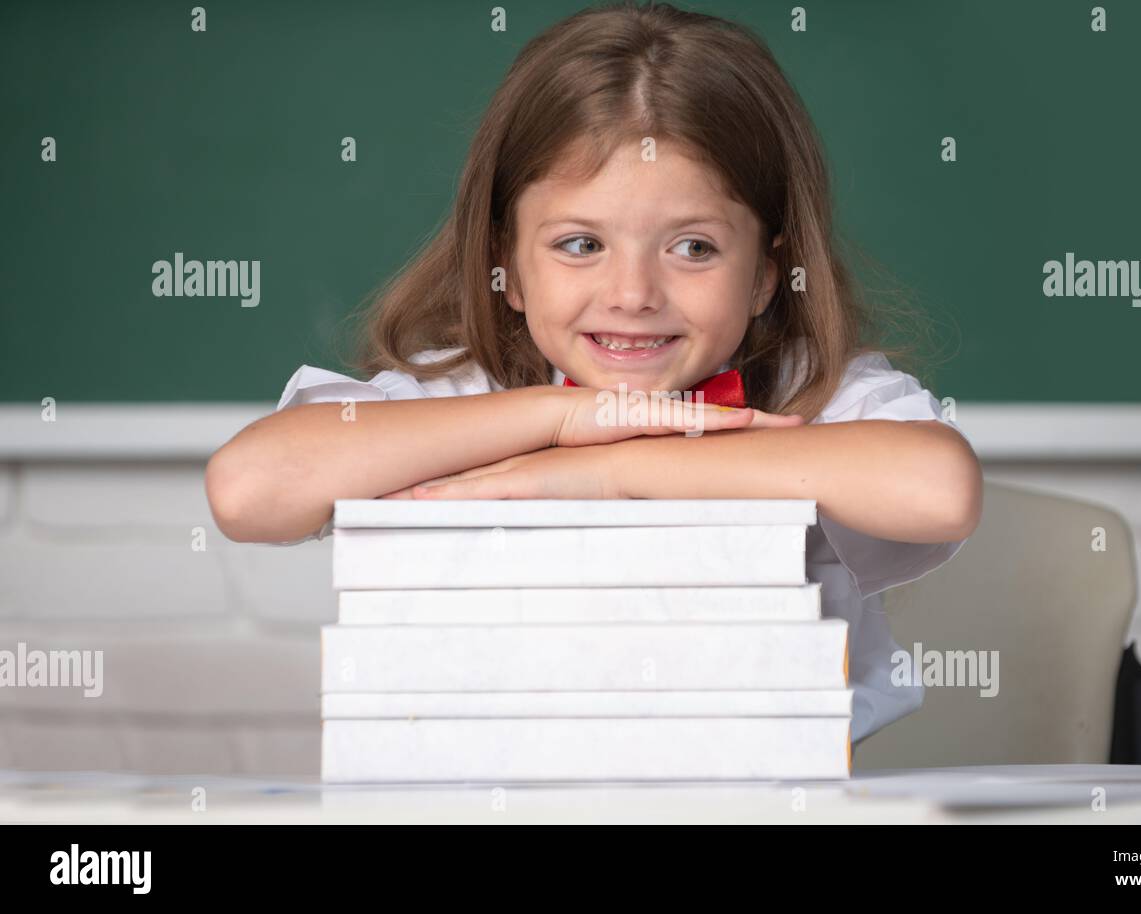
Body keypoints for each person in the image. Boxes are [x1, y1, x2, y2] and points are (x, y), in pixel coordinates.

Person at [205, 1, 983, 749]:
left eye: (694, 248)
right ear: (504, 264)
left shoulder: (812, 394)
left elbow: (938, 488)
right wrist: (560, 420)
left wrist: (613, 467)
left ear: (765, 276)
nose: (633, 294)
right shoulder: (472, 396)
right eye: (580, 245)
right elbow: (248, 489)